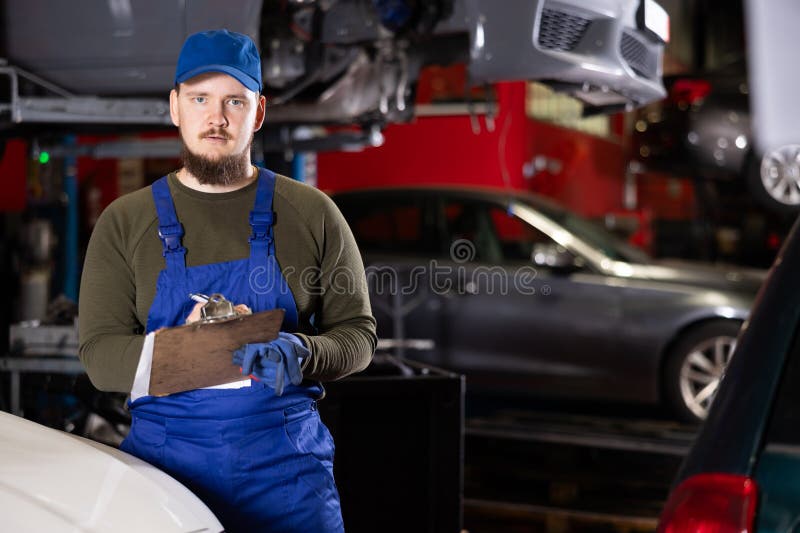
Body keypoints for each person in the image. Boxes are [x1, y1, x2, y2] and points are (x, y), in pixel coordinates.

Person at [78, 29, 377, 532]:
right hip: (166, 482)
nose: (216, 118)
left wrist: (301, 353)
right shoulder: (125, 222)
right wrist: (186, 350)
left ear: (258, 112)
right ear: (175, 107)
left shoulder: (312, 213)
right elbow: (99, 358)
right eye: (200, 99)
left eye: (233, 101)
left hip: (288, 484)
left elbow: (359, 336)